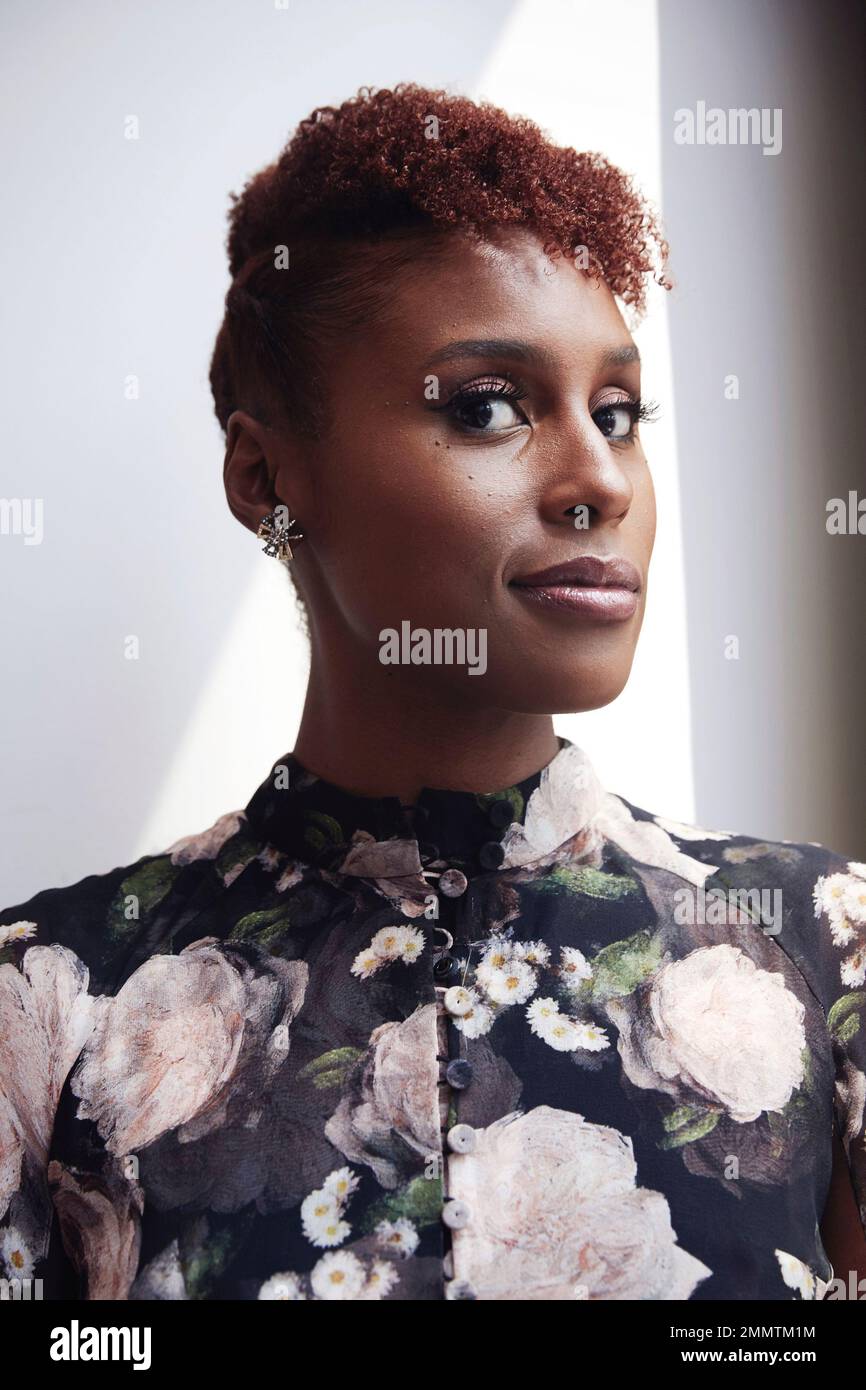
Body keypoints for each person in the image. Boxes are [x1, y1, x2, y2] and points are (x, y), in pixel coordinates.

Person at [2, 84, 864, 1302]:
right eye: (487, 406)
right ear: (266, 476)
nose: (597, 481)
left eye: (617, 413)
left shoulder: (827, 950)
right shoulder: (49, 1005)